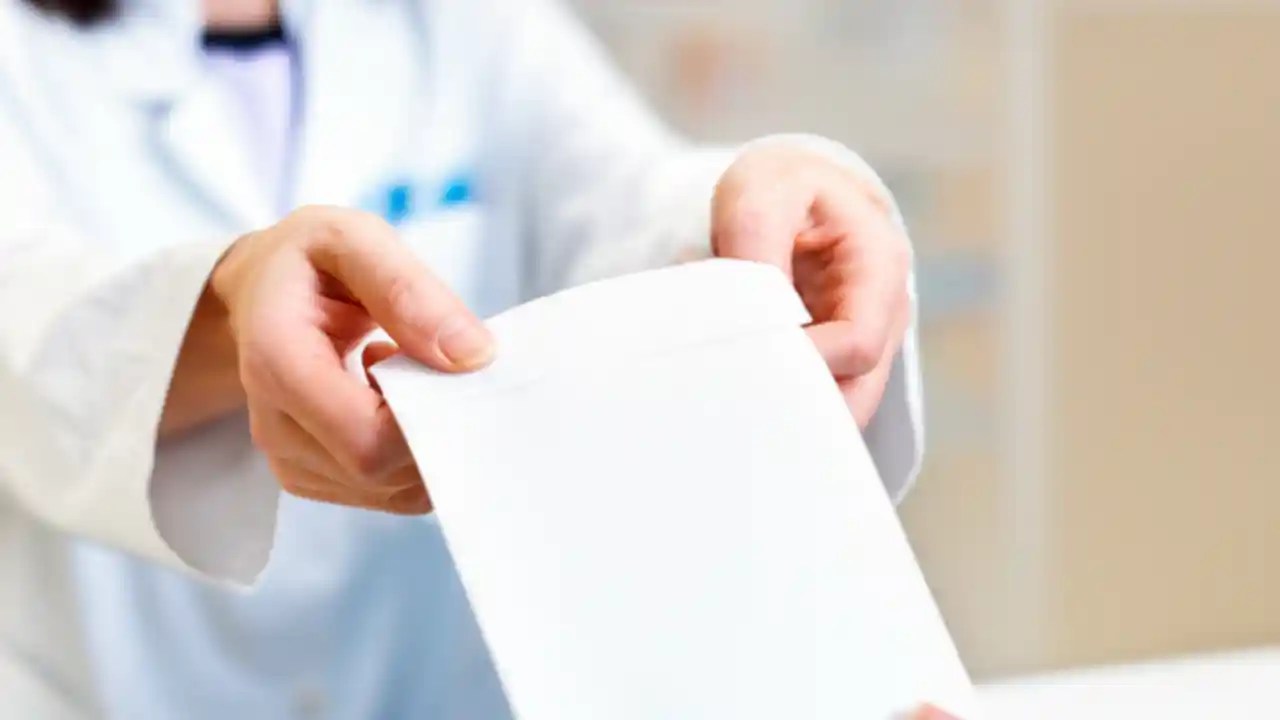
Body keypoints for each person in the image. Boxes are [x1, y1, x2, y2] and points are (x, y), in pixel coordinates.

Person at [0, 0, 929, 717]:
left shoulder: (464, 23)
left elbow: (628, 199)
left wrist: (766, 209)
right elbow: (33, 331)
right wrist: (229, 305)